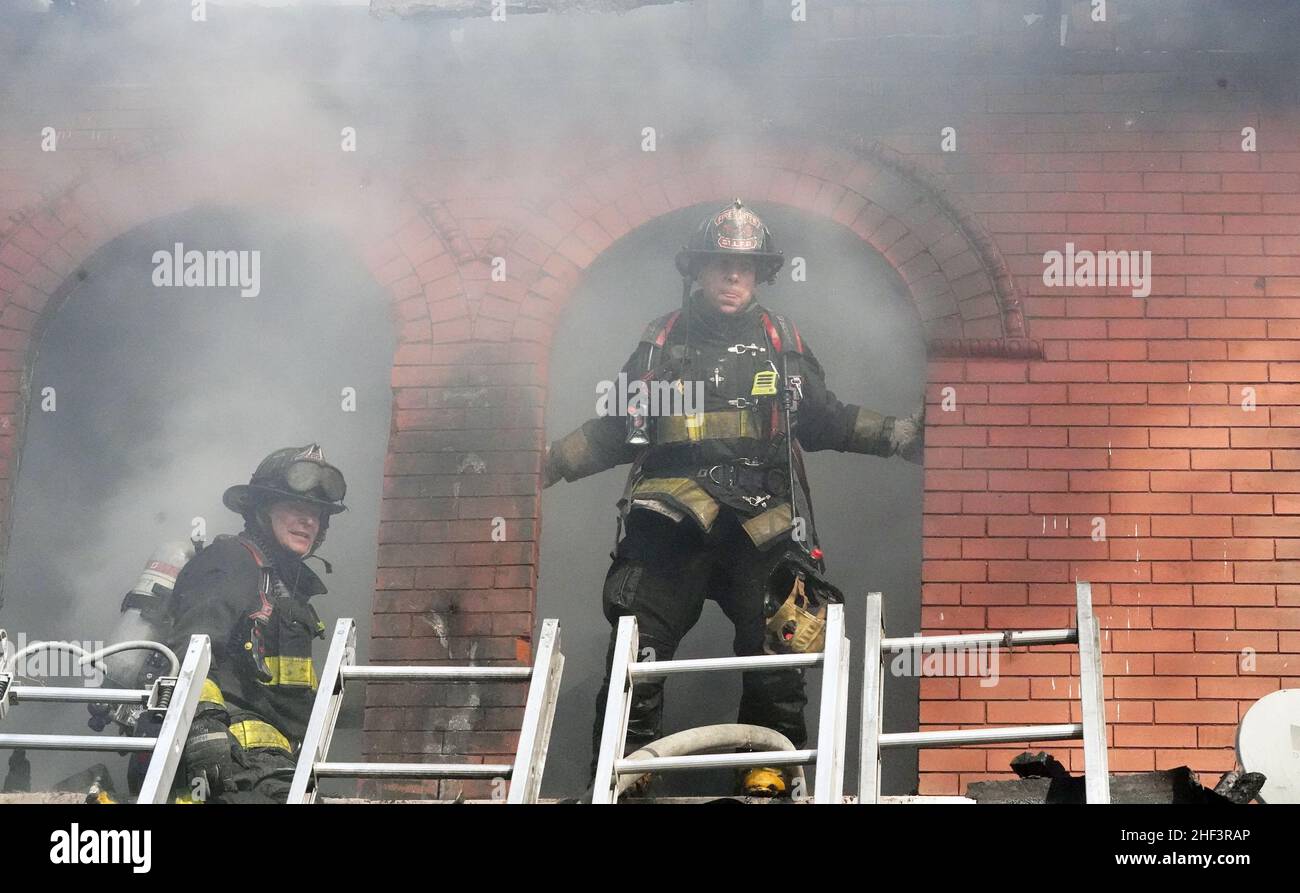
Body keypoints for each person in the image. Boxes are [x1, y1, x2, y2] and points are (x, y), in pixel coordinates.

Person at [543, 200, 924, 796]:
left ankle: (768, 774)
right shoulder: (659, 342)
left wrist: (897, 435)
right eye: (721, 264)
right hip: (668, 525)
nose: (732, 277)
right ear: (698, 269)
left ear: (760, 275)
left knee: (779, 653)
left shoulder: (781, 341)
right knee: (636, 652)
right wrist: (545, 465)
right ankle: (626, 779)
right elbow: (617, 427)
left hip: (763, 524)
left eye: (745, 268)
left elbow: (823, 419)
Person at [169, 444, 347, 803]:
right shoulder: (232, 560)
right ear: (262, 510)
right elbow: (192, 646)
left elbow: (291, 699)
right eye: (296, 507)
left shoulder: (286, 589)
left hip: (273, 767)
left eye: (317, 514)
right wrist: (203, 724)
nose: (308, 520)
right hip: (231, 758)